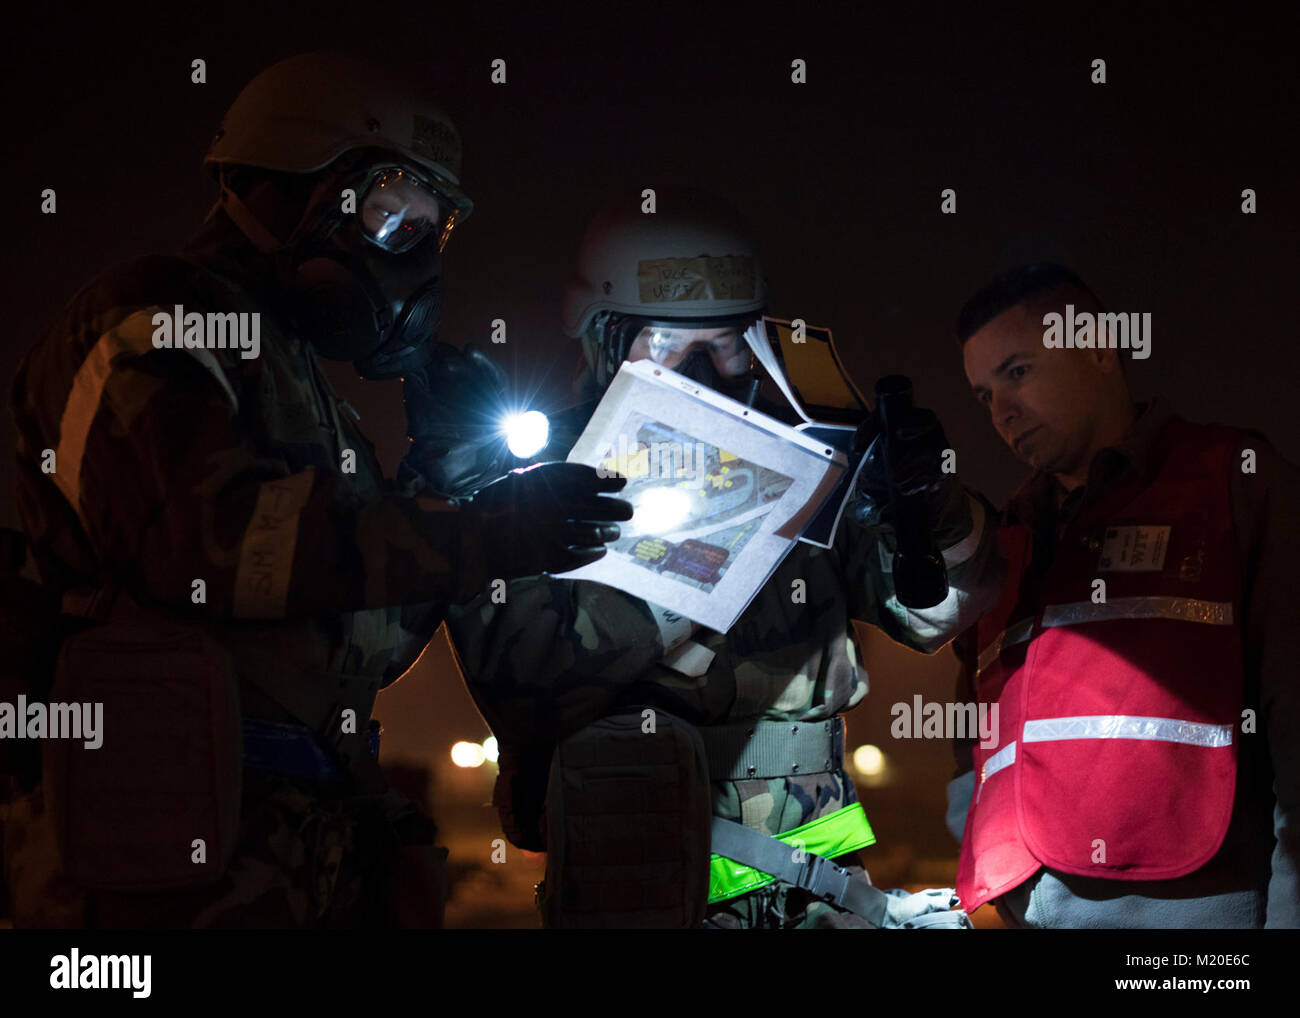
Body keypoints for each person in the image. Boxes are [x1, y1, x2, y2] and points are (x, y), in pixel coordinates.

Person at [1, 51, 628, 929]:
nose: (408, 255)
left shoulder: (293, 376)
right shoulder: (155, 318)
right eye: (389, 214)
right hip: (154, 855)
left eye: (427, 230)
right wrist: (481, 534)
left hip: (288, 850)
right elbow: (209, 548)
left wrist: (443, 473)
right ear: (291, 181)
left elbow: (358, 637)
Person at [445, 189, 1003, 928]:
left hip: (819, 881)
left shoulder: (805, 465)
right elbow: (518, 682)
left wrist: (929, 507)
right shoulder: (541, 489)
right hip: (642, 889)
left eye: (729, 343)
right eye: (670, 344)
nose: (705, 371)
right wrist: (701, 560)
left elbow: (935, 616)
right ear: (602, 339)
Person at [949, 262, 1300, 928]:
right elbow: (971, 731)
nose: (1001, 412)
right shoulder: (1007, 539)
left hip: (1194, 915)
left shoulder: (1236, 485)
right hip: (1028, 906)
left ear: (1101, 348)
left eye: (1017, 372)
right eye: (982, 395)